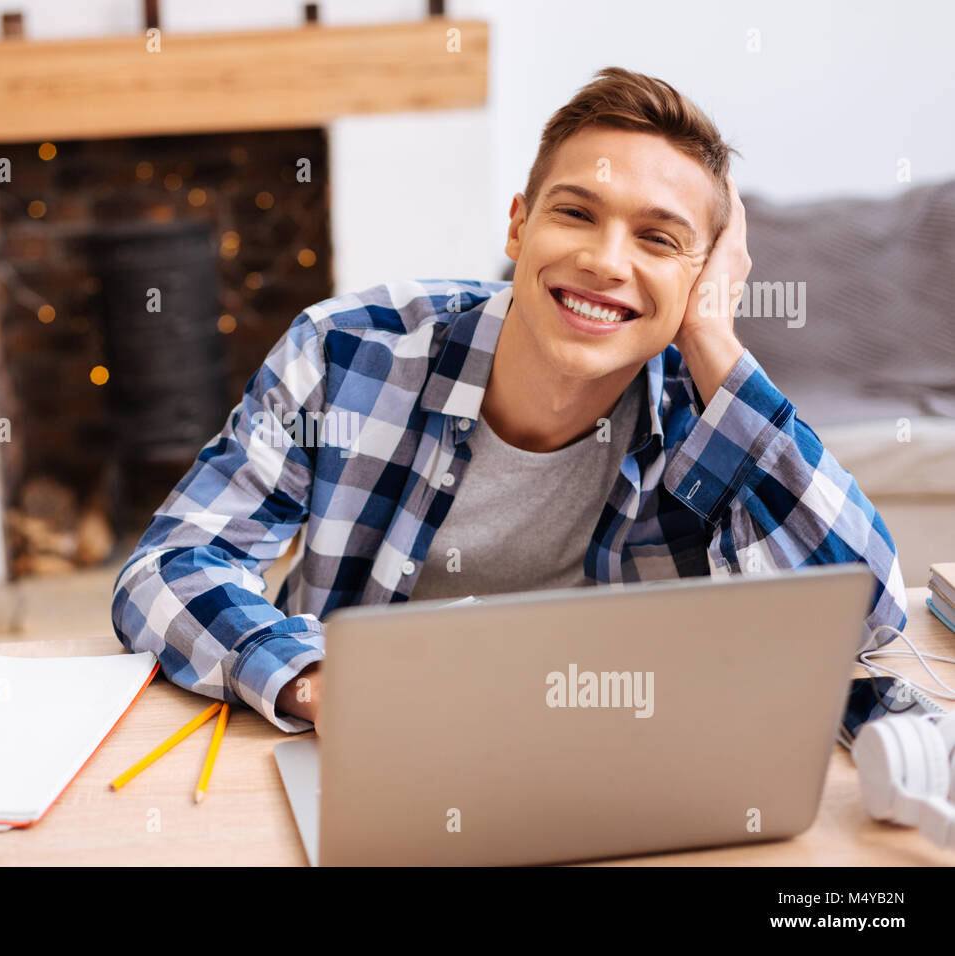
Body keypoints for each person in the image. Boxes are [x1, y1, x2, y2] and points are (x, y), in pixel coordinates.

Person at [111, 67, 908, 735]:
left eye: (658, 239)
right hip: (373, 749)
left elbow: (863, 616)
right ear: (519, 226)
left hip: (611, 756)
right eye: (576, 214)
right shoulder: (347, 351)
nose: (604, 261)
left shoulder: (711, 408)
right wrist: (311, 682)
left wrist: (713, 341)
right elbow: (167, 568)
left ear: (705, 276)